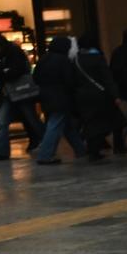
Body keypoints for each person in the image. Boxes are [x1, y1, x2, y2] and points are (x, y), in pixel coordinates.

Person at [0, 32, 43, 161]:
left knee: (30, 119)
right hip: (7, 92)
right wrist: (3, 72)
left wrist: (0, 73)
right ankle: (1, 152)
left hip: (17, 91)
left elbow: (15, 71)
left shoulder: (13, 52)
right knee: (4, 122)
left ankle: (46, 142)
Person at [32, 36, 86, 164]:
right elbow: (69, 81)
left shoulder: (44, 59)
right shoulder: (63, 60)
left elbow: (35, 78)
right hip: (61, 97)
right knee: (55, 125)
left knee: (66, 126)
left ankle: (81, 150)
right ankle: (45, 155)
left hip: (46, 97)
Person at [72, 31, 123, 162]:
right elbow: (107, 78)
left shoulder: (76, 60)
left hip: (82, 96)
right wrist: (115, 95)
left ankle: (93, 149)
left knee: (91, 122)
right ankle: (100, 148)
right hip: (100, 95)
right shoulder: (97, 58)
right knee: (110, 121)